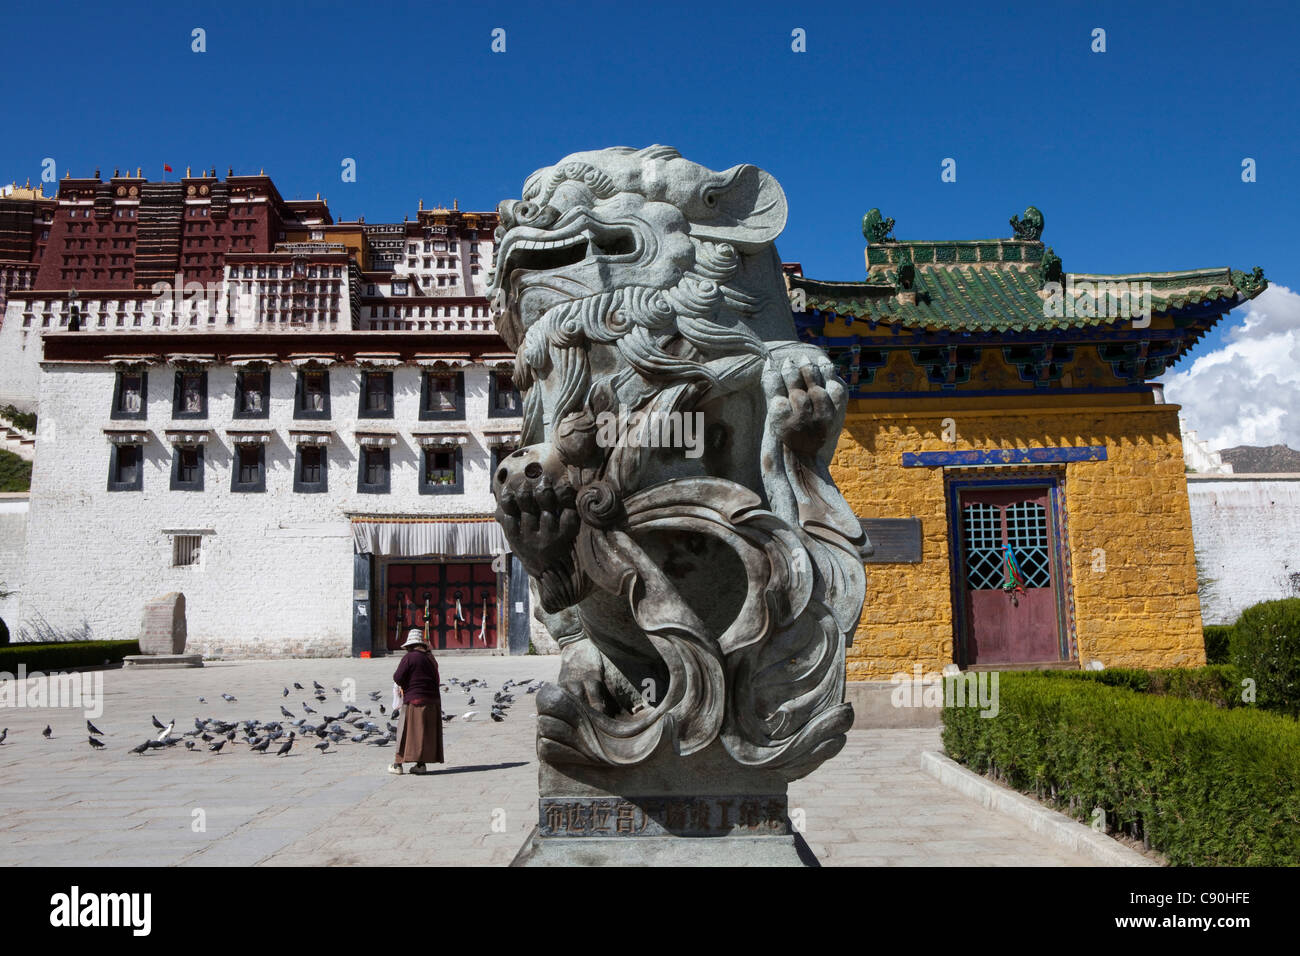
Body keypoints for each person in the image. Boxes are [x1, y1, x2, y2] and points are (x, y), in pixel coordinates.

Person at [389, 629, 444, 774]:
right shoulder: (431, 659)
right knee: (423, 733)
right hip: (433, 701)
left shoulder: (409, 658)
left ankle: (397, 765)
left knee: (405, 732)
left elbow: (398, 677)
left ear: (409, 646)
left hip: (415, 700)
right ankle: (420, 765)